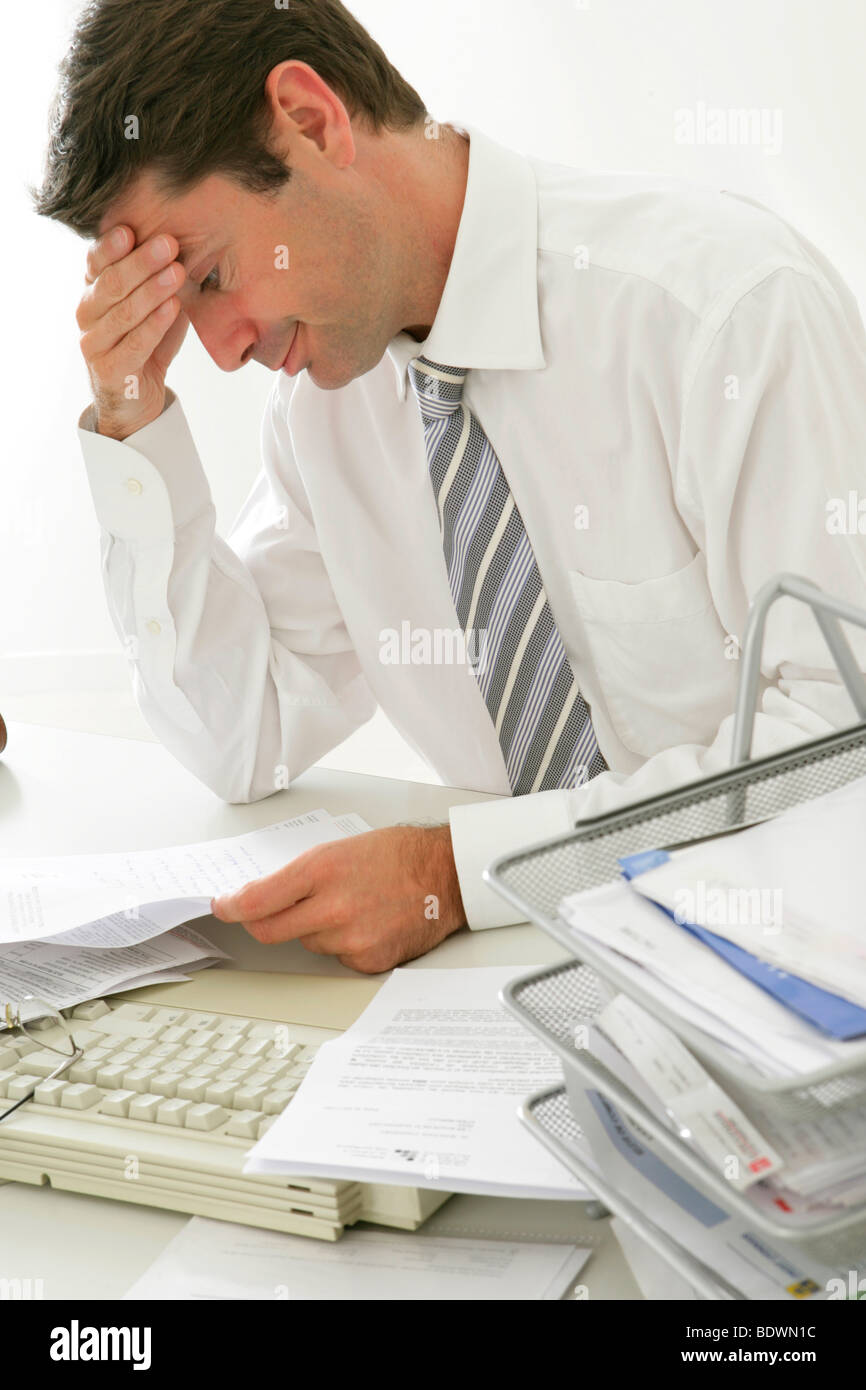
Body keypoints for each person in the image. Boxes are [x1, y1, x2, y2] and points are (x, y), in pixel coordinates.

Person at [34, 0, 866, 972]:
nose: (217, 354)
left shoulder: (723, 314)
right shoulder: (325, 415)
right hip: (504, 1000)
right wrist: (133, 421)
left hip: (784, 993)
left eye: (210, 277)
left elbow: (836, 746)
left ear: (309, 120)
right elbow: (240, 734)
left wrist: (459, 873)